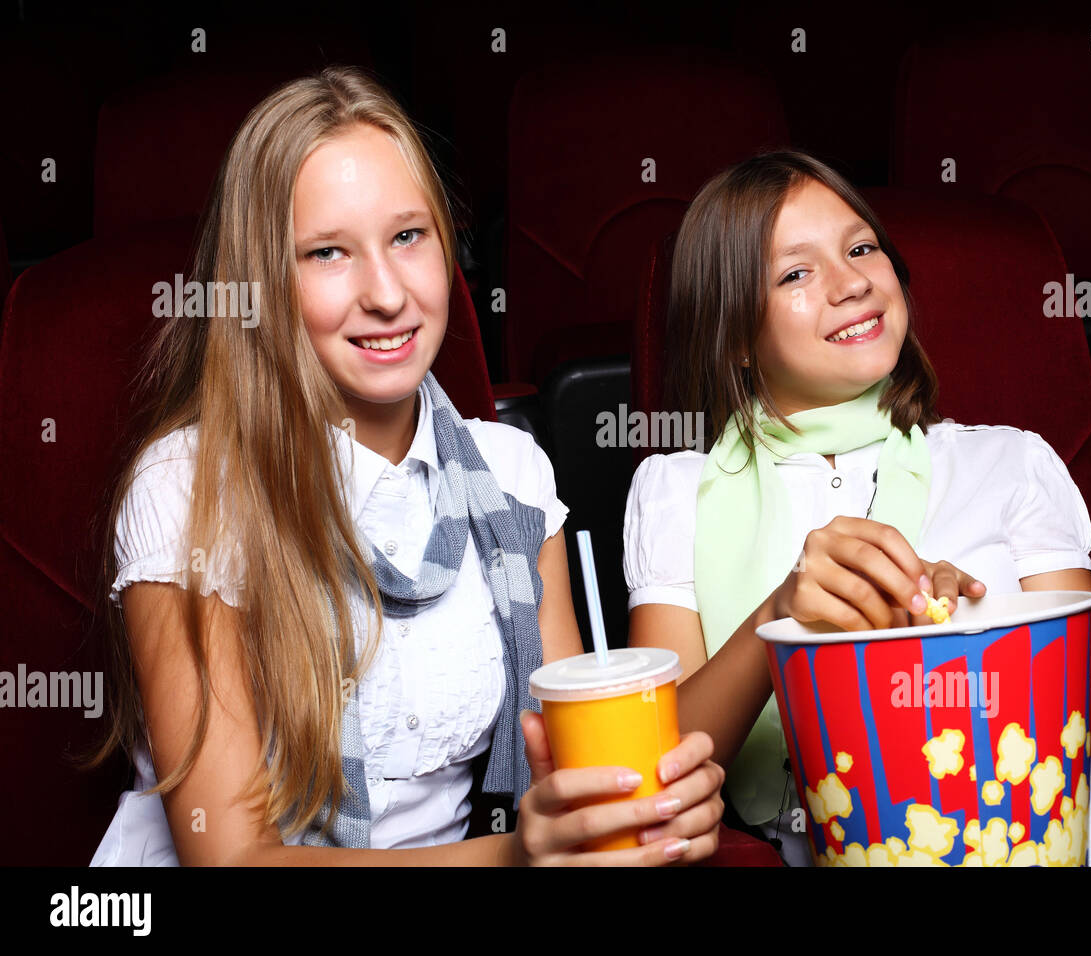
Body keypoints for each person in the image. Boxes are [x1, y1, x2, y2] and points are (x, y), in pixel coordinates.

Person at [85, 65, 723, 866]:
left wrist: (644, 816)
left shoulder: (513, 474)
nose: (386, 293)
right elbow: (233, 858)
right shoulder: (186, 487)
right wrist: (518, 857)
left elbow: (562, 773)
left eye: (408, 236)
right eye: (327, 253)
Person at [622, 150, 1091, 867]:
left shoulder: (1007, 461)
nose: (852, 282)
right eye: (796, 272)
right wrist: (779, 617)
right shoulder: (676, 490)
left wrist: (963, 645)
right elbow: (656, 775)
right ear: (735, 339)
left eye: (860, 248)